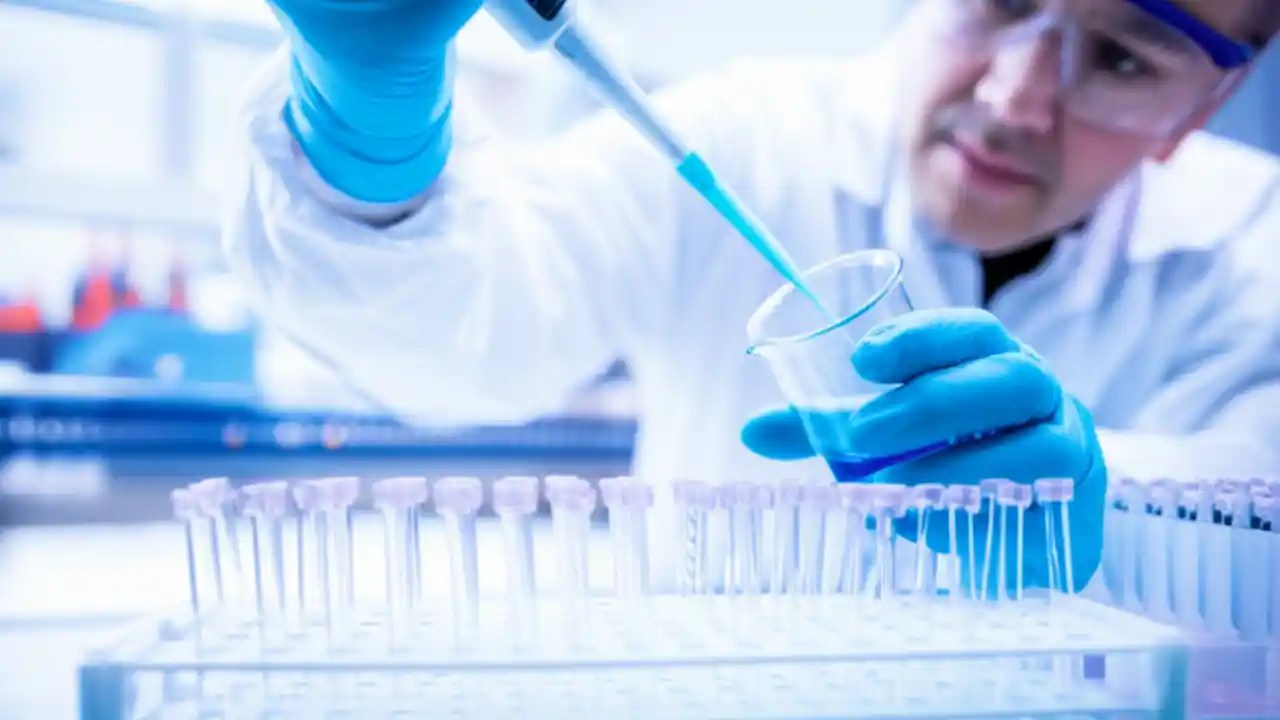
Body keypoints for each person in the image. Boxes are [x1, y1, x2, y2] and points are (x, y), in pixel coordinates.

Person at [224, 0, 1280, 593]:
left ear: (1207, 102)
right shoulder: (745, 135)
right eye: (999, 2)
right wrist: (367, 122)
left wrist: (1119, 508)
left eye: (1123, 59)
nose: (1013, 99)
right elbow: (468, 338)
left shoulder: (1253, 250)